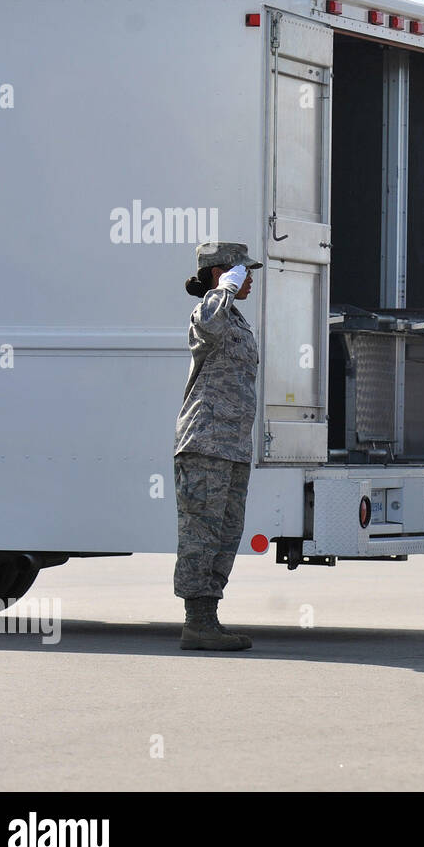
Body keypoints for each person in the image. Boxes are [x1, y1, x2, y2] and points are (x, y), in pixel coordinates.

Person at [173, 242, 263, 651]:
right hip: (206, 442)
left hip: (232, 446)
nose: (249, 279)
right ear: (221, 272)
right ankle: (197, 622)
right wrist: (223, 290)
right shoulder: (210, 311)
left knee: (227, 533)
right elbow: (208, 325)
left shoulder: (236, 320)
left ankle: (208, 616)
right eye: (243, 271)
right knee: (201, 534)